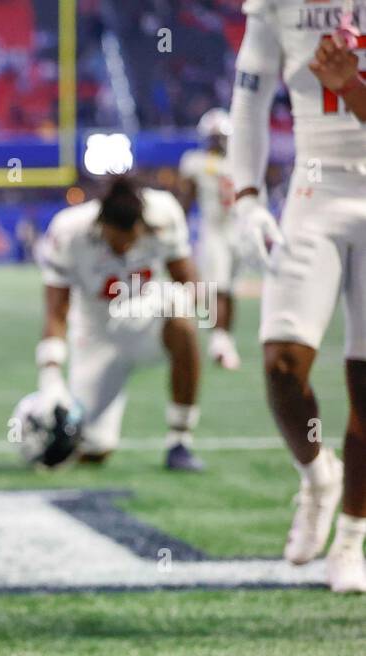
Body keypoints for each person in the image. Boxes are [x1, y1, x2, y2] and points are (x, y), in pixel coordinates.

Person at [229, 6, 366, 590]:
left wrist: (351, 86)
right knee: (282, 364)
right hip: (316, 186)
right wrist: (248, 196)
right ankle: (316, 478)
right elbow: (249, 99)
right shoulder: (279, 5)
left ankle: (352, 538)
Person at [34, 176, 207, 470]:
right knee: (86, 448)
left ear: (143, 225)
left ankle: (180, 440)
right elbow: (56, 312)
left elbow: (192, 284)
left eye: (131, 238)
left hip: (144, 324)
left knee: (183, 326)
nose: (125, 247)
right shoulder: (70, 230)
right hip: (96, 334)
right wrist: (50, 378)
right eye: (117, 240)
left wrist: (166, 301)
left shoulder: (164, 214)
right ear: (101, 224)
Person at [176, 109, 243, 371]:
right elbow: (186, 198)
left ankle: (225, 339)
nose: (217, 142)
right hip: (213, 229)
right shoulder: (196, 162)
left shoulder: (238, 161)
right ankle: (219, 340)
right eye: (213, 137)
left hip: (237, 228)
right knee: (218, 288)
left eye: (220, 137)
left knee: (230, 288)